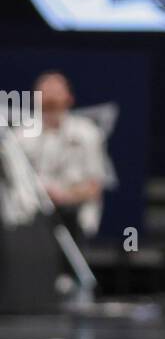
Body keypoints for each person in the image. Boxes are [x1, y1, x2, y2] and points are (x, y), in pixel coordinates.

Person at [15, 72, 109, 240]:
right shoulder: (20, 137)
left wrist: (63, 197)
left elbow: (94, 187)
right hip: (29, 220)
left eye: (55, 98)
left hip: (73, 219)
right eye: (45, 99)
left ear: (69, 99)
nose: (50, 103)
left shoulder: (88, 134)